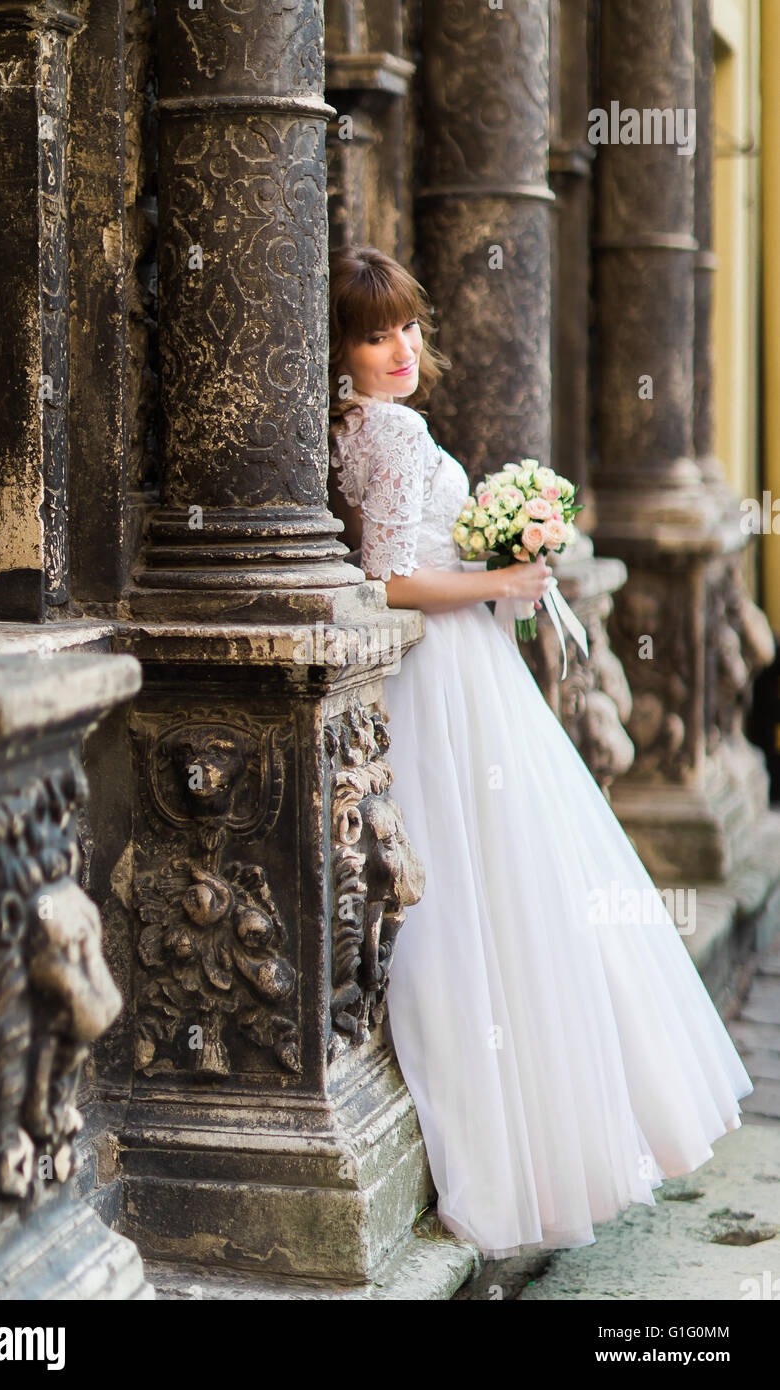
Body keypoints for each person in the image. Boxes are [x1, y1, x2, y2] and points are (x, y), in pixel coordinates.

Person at [327, 243, 754, 1260]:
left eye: (408, 328)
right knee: (491, 879)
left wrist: (494, 556)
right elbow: (386, 578)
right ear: (341, 350)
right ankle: (515, 1137)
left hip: (459, 668)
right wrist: (496, 584)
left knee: (509, 873)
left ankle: (543, 1129)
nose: (400, 348)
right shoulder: (383, 435)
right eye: (374, 333)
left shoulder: (370, 428)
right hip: (439, 674)